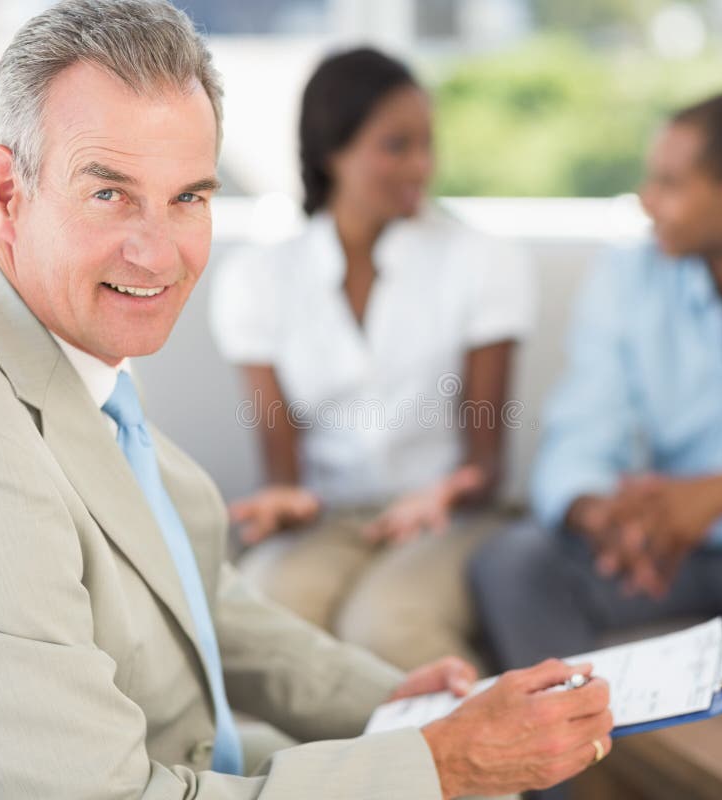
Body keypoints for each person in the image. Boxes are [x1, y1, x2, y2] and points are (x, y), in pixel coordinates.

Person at [0, 2, 612, 797]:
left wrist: (388, 700)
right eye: (109, 194)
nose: (156, 252)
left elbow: (205, 601)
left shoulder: (86, 374)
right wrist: (444, 764)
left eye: (189, 198)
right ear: (6, 192)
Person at [210, 47, 534, 672]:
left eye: (427, 144)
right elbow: (284, 468)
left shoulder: (484, 261)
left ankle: (501, 763)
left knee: (384, 624)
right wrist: (284, 502)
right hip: (332, 520)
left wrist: (445, 493)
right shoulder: (259, 278)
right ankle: (312, 773)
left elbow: (487, 464)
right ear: (333, 150)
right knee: (274, 607)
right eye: (396, 145)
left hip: (453, 518)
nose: (422, 165)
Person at [470, 92, 722, 671]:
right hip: (663, 552)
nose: (647, 201)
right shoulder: (628, 275)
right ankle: (574, 749)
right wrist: (602, 515)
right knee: (515, 564)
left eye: (671, 183)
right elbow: (584, 424)